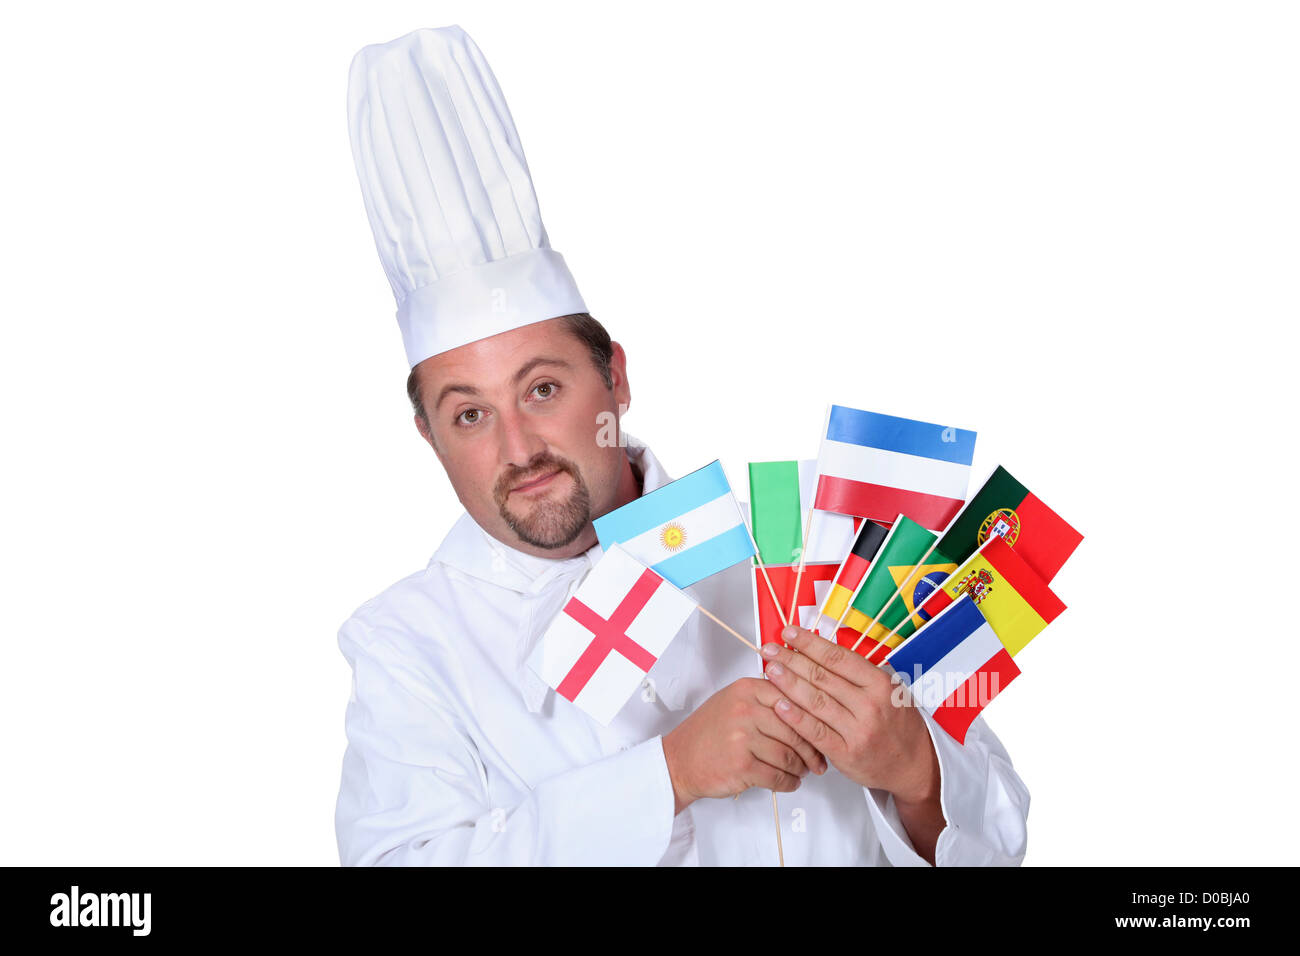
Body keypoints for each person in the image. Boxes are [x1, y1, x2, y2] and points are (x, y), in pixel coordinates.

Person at [336, 25, 1030, 866]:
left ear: (615, 379)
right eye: (469, 415)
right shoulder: (408, 645)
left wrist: (917, 771)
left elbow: (1000, 838)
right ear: (430, 437)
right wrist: (667, 774)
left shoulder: (806, 549)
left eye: (543, 389)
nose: (519, 446)